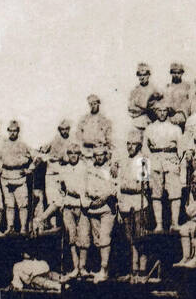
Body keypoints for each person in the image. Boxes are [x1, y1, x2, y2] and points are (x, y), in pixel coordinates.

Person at [79, 144, 118, 281]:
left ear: (106, 155)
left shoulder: (111, 169)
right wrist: (88, 202)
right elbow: (82, 188)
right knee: (97, 241)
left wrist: (104, 198)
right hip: (93, 208)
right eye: (96, 155)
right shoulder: (88, 170)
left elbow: (115, 186)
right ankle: (98, 268)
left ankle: (104, 270)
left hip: (107, 208)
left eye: (102, 154)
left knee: (105, 238)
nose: (99, 157)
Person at [144, 103, 184, 233]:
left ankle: (175, 223)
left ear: (168, 111)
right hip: (155, 158)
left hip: (171, 158)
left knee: (175, 193)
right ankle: (159, 224)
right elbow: (145, 148)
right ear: (155, 112)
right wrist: (149, 161)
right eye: (159, 110)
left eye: (164, 110)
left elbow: (181, 147)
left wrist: (179, 163)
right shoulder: (149, 128)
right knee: (156, 194)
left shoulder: (175, 129)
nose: (162, 113)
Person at [116, 133, 153, 275]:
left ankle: (142, 269)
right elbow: (118, 184)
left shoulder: (142, 161)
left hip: (139, 203)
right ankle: (134, 268)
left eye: (133, 144)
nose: (130, 147)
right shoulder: (123, 161)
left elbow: (142, 187)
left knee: (140, 237)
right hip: (125, 204)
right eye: (128, 144)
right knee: (130, 238)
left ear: (138, 145)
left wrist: (127, 186)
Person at [38, 120, 77, 231]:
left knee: (60, 201)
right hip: (51, 174)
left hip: (64, 174)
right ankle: (53, 226)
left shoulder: (72, 141)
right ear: (59, 130)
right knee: (52, 201)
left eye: (66, 129)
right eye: (62, 129)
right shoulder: (55, 140)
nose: (64, 131)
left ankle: (41, 219)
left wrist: (63, 158)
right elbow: (44, 151)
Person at [0, 120, 35, 234]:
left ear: (18, 131)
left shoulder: (23, 145)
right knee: (9, 205)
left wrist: (29, 170)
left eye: (15, 131)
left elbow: (36, 157)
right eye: (10, 131)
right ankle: (10, 227)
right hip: (6, 177)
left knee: (23, 204)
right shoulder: (3, 145)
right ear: (8, 131)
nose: (12, 133)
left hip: (19, 177)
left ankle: (23, 228)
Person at [127, 63, 161, 141]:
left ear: (149, 75)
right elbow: (131, 110)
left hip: (152, 122)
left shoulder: (155, 89)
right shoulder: (135, 91)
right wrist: (146, 108)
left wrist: (142, 107)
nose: (142, 77)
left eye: (144, 75)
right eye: (140, 75)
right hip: (138, 123)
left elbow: (158, 107)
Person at [77, 94, 113, 161]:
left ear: (99, 103)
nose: (93, 106)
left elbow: (109, 140)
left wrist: (109, 152)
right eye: (91, 104)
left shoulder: (105, 120)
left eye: (95, 103)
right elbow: (79, 137)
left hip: (100, 153)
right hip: (86, 152)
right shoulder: (84, 120)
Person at [162, 61, 193, 127]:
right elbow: (165, 103)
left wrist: (181, 113)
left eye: (178, 73)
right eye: (174, 73)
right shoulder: (167, 87)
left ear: (182, 73)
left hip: (183, 117)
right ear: (171, 73)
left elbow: (189, 103)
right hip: (170, 117)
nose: (176, 75)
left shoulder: (187, 86)